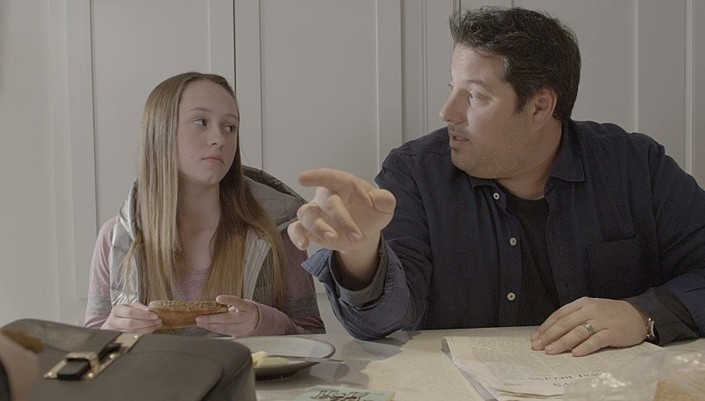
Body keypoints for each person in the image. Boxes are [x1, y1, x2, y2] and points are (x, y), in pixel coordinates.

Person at [288, 7, 705, 356]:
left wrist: (642, 314)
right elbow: (378, 323)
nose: (447, 112)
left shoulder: (634, 166)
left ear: (540, 106)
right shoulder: (415, 173)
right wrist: (361, 251)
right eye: (452, 88)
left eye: (474, 96)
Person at [84, 72, 324, 337]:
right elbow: (89, 348)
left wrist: (264, 323)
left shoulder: (278, 232)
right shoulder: (116, 238)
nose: (219, 139)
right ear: (160, 132)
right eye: (201, 122)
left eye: (230, 127)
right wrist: (112, 330)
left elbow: (313, 337)